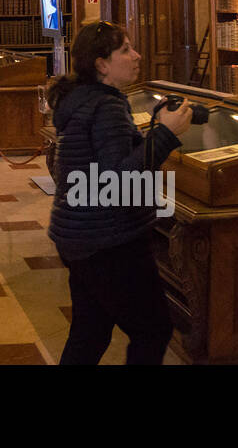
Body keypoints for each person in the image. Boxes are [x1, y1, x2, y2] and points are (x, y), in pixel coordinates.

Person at [47, 20, 192, 365]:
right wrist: (166, 135)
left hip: (79, 235)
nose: (137, 55)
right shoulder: (108, 106)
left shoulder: (84, 99)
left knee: (90, 331)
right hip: (108, 241)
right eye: (125, 50)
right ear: (102, 65)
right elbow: (117, 179)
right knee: (153, 330)